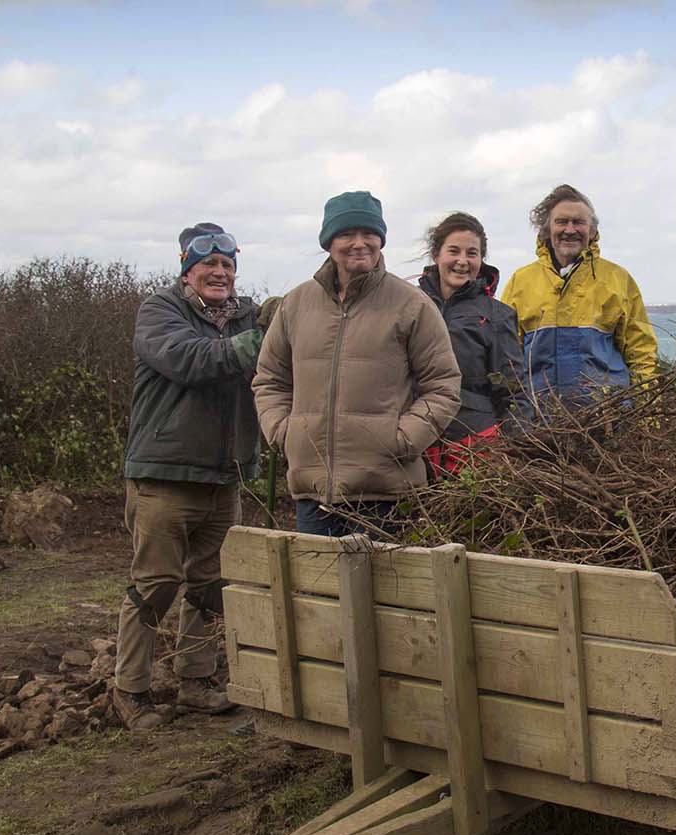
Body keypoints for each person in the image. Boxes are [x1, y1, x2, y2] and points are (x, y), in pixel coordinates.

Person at [115, 223, 264, 730]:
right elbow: (192, 360)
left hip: (223, 477)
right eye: (208, 264)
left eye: (227, 265)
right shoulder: (159, 312)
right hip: (163, 474)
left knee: (209, 583)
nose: (219, 272)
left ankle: (196, 681)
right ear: (187, 268)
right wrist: (261, 338)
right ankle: (129, 689)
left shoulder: (246, 316)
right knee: (155, 583)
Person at [253, 191, 462, 537]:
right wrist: (284, 432)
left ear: (381, 239)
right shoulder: (296, 304)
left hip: (386, 494)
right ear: (329, 242)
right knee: (317, 591)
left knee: (385, 593)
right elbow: (270, 379)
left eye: (369, 234)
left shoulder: (412, 305)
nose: (359, 243)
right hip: (313, 492)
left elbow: (444, 386)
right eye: (346, 234)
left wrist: (401, 440)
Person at [501, 184, 657, 402]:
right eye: (562, 221)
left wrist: (647, 415)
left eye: (579, 222)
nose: (570, 230)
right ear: (547, 229)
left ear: (592, 231)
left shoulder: (617, 279)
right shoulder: (521, 282)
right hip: (539, 422)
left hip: (608, 418)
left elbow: (642, 353)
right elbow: (505, 358)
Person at [416, 211, 528, 475]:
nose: (462, 261)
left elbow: (513, 392)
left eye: (472, 253)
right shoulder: (411, 306)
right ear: (437, 254)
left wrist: (517, 451)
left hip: (475, 447)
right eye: (453, 251)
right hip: (417, 444)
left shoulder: (498, 315)